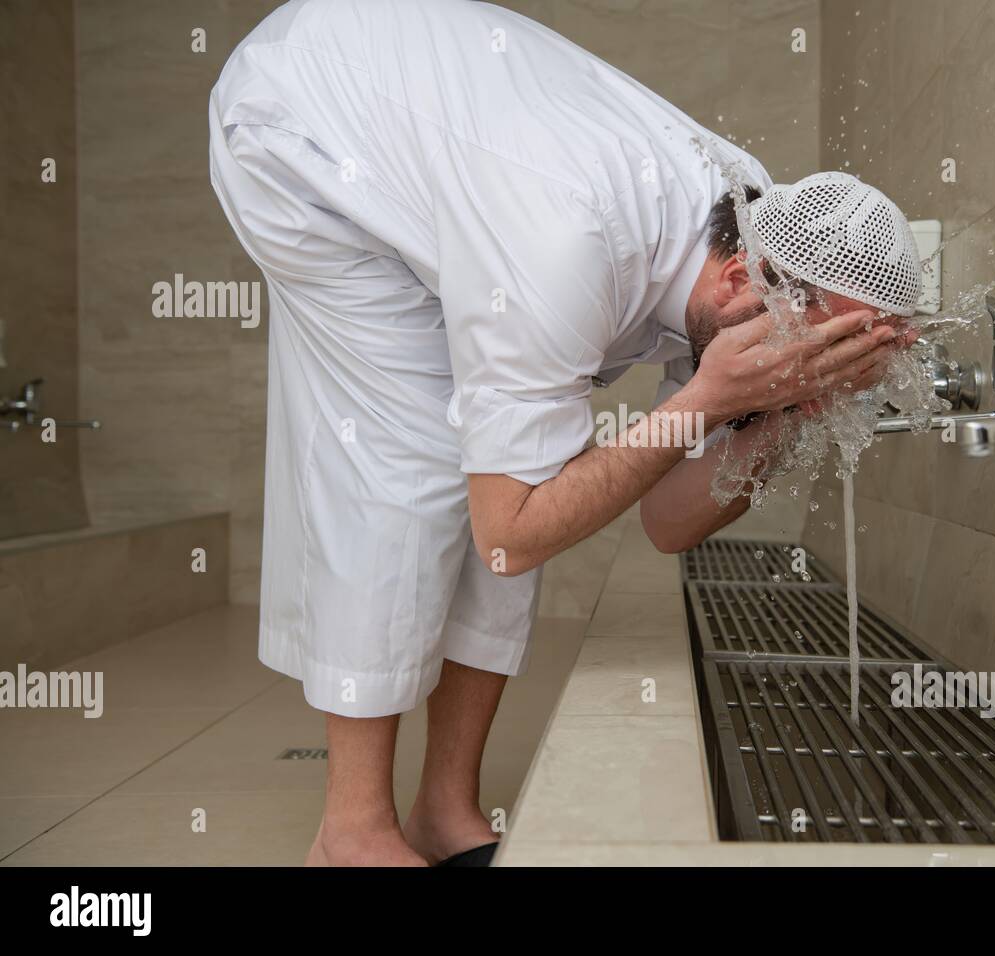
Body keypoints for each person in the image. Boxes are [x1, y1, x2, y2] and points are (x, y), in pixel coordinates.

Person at [209, 0, 921, 866]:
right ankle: (351, 833)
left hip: (442, 134)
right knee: (419, 457)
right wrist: (707, 400)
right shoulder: (567, 249)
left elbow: (668, 522)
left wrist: (790, 409)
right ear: (743, 278)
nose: (808, 364)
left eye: (834, 354)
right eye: (813, 347)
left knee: (529, 456)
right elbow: (510, 534)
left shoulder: (756, 233)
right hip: (302, 118)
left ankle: (444, 809)